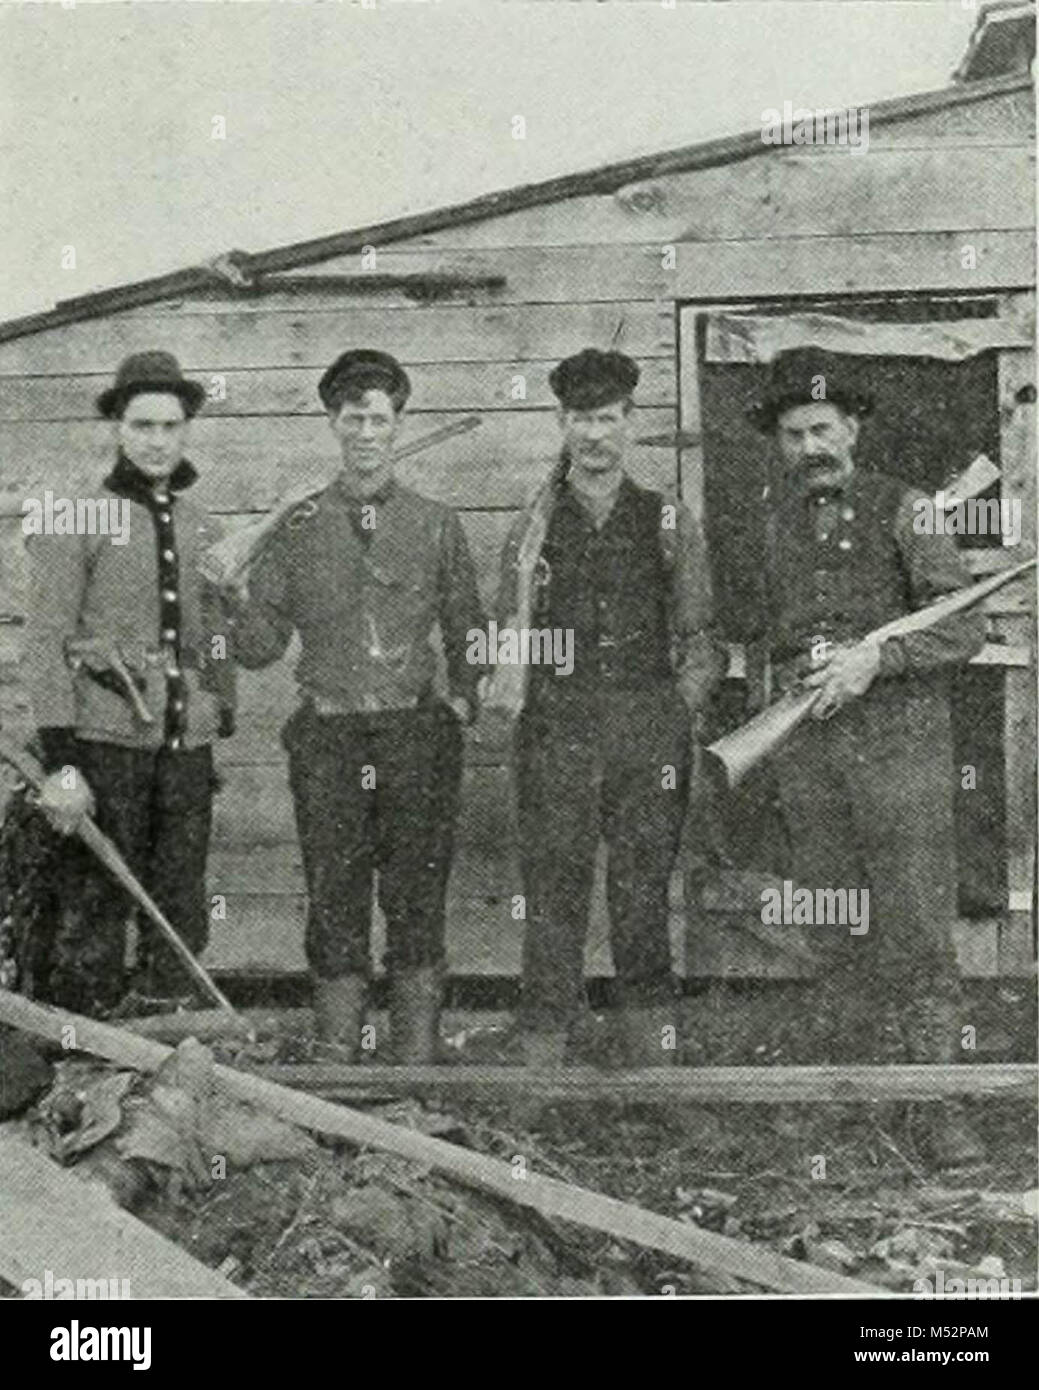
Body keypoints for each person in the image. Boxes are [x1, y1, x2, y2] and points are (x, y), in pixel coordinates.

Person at [747, 346, 986, 1166]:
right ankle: (843, 1101)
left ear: (852, 427)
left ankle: (938, 1109)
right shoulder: (771, 520)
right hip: (810, 758)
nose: (808, 446)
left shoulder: (908, 508)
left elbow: (964, 625)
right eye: (791, 434)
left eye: (821, 428)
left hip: (901, 754)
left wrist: (873, 660)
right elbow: (767, 638)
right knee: (832, 925)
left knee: (917, 930)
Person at [225, 349, 485, 1062]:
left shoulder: (435, 523)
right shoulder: (298, 527)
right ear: (333, 424)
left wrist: (462, 704)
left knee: (416, 893)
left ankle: (416, 1066)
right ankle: (340, 1064)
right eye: (353, 417)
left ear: (397, 425)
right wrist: (226, 598)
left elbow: (469, 627)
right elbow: (260, 648)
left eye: (379, 418)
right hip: (329, 738)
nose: (366, 431)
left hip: (415, 735)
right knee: (334, 892)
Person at [495, 348, 723, 1068]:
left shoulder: (665, 521)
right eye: (580, 419)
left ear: (629, 423)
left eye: (608, 418)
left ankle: (653, 1069)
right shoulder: (531, 531)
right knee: (552, 898)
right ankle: (542, 1071)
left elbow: (699, 640)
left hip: (644, 735)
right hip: (554, 733)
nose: (594, 434)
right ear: (561, 424)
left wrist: (669, 716)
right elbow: (506, 642)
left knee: (642, 898)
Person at [23, 351, 236, 1014]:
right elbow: (45, 644)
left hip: (183, 755)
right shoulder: (77, 517)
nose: (156, 440)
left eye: (170, 426)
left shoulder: (204, 527)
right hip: (101, 748)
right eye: (142, 424)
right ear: (118, 426)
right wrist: (61, 767)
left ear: (186, 431)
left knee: (177, 908)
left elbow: (215, 642)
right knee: (94, 907)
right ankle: (81, 1063)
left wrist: (216, 713)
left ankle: (166, 1049)